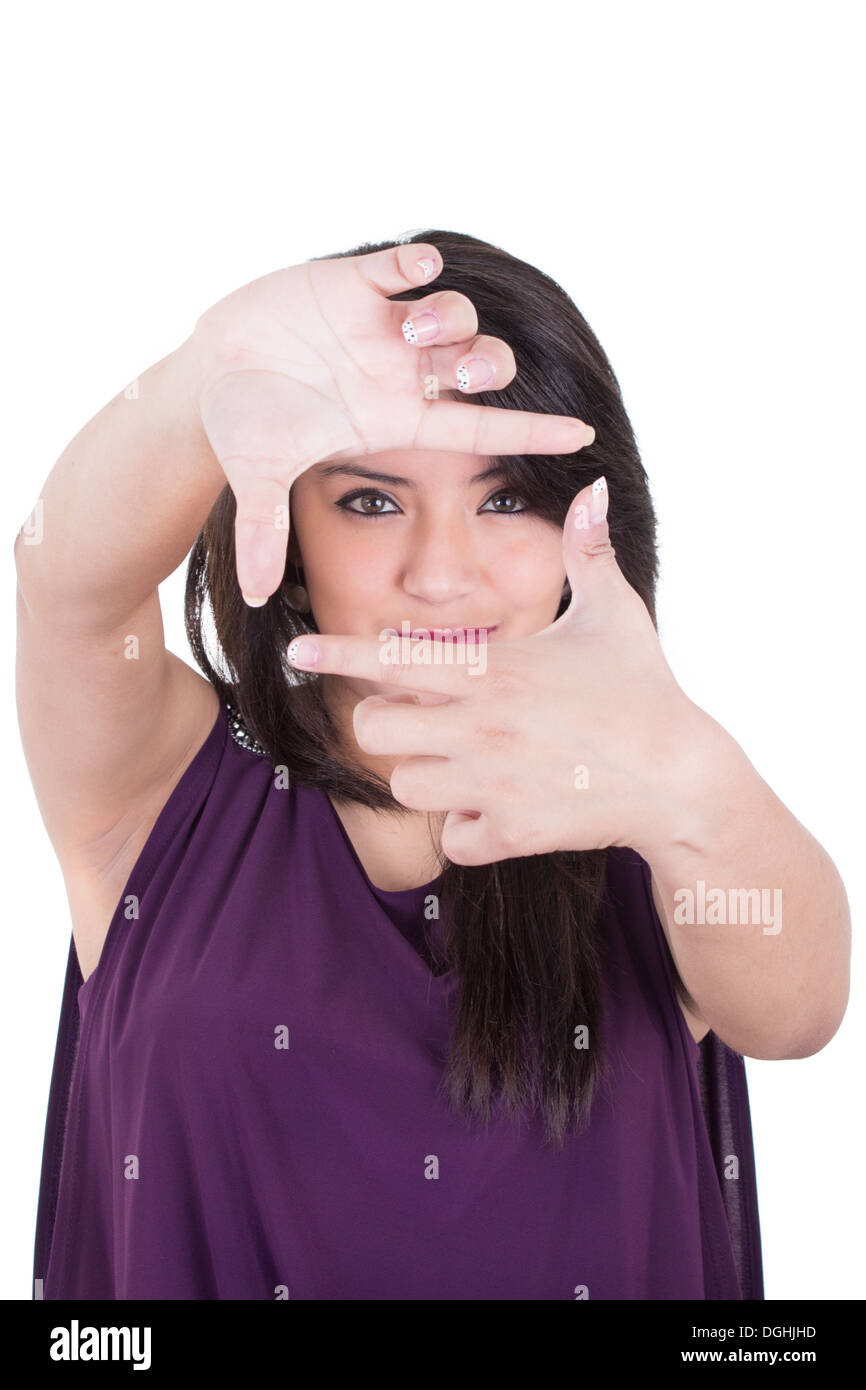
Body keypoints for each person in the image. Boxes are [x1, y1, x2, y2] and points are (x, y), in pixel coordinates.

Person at [19, 229, 849, 1300]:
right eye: (370, 500)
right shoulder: (160, 788)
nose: (440, 575)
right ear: (287, 527)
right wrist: (198, 381)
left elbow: (798, 1012)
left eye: (505, 497)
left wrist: (685, 775)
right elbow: (65, 591)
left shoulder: (655, 819)